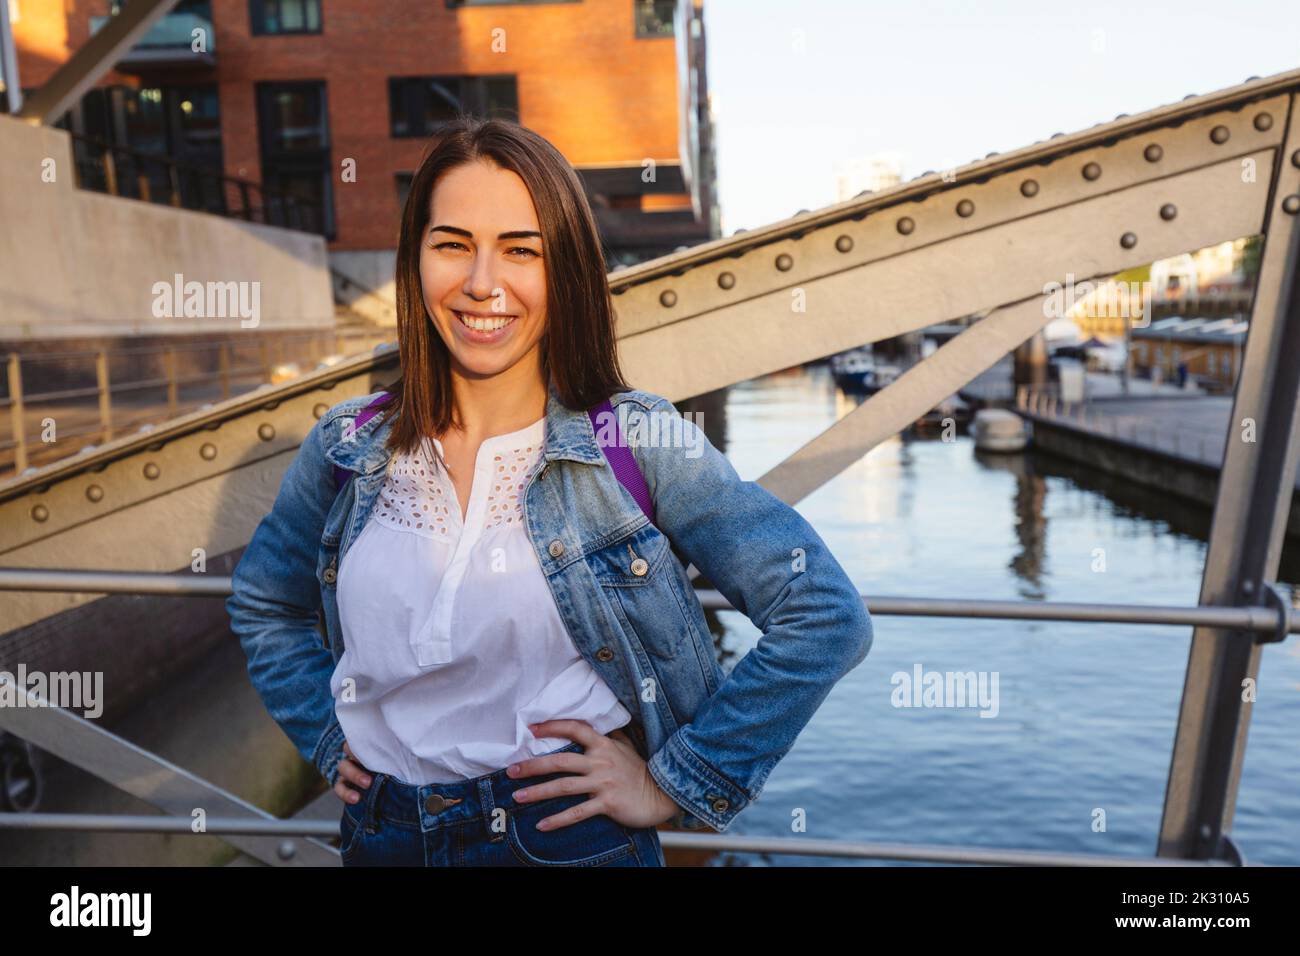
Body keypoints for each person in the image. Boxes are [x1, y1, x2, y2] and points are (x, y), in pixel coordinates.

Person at [225, 116, 874, 867]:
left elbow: (824, 616)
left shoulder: (636, 441)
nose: (481, 283)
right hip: (383, 836)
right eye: (453, 245)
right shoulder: (346, 446)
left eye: (520, 250)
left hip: (563, 841)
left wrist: (676, 783)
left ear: (562, 272)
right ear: (416, 261)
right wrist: (327, 732)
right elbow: (265, 604)